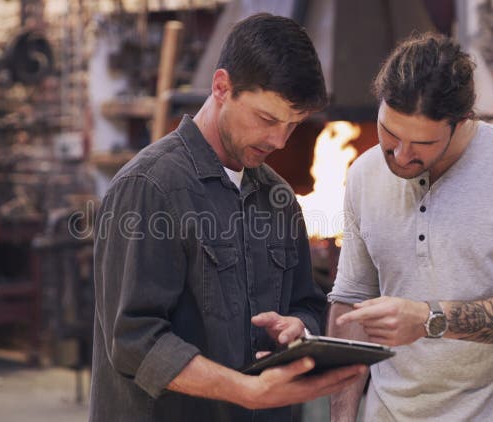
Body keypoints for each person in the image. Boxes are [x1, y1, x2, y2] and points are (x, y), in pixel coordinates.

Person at [90, 13, 366, 421]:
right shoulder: (150, 188)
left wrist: (299, 329)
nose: (278, 140)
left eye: (292, 125)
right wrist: (246, 391)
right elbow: (135, 341)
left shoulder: (278, 197)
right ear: (222, 87)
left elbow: (307, 304)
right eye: (267, 119)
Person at [326, 32, 493, 421]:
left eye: (421, 143)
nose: (400, 154)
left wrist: (430, 319)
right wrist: (341, 418)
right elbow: (352, 302)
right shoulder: (363, 174)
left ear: (463, 123)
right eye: (389, 133)